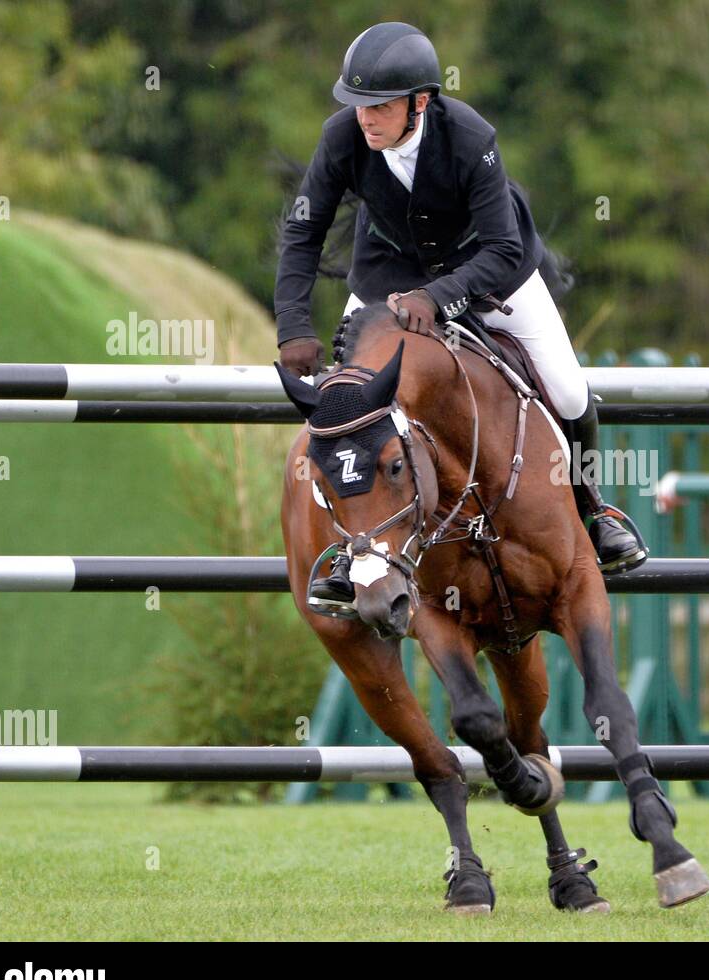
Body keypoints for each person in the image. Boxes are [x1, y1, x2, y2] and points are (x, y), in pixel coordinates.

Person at [274, 22, 645, 603]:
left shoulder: (471, 138)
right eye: (357, 105)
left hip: (491, 266)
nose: (364, 118)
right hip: (388, 272)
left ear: (420, 102)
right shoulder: (342, 138)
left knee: (570, 393)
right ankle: (354, 554)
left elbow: (503, 248)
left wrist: (439, 297)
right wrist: (294, 325)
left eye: (380, 106)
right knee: (353, 402)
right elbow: (304, 232)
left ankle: (592, 512)